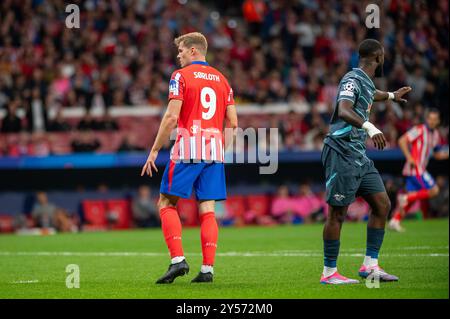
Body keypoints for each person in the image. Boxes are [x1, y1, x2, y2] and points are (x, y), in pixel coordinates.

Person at [141, 32, 237, 284]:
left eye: (181, 51)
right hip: (214, 149)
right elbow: (234, 123)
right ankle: (207, 269)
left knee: (165, 203)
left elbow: (171, 117)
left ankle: (177, 260)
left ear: (194, 51)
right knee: (207, 209)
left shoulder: (180, 76)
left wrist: (154, 150)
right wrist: (219, 150)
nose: (178, 55)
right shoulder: (223, 80)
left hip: (188, 146)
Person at [320, 39, 412, 284]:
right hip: (341, 151)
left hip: (358, 155)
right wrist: (370, 126)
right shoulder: (352, 79)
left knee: (382, 204)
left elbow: (373, 94)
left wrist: (392, 95)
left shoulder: (366, 82)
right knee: (337, 213)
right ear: (379, 57)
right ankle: (329, 273)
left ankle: (370, 266)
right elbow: (344, 109)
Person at [388, 109, 449, 232]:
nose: (432, 121)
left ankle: (394, 220)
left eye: (434, 119)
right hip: (416, 168)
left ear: (438, 121)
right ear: (427, 119)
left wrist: (446, 155)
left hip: (418, 169)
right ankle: (405, 197)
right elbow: (402, 141)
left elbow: (436, 154)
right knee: (434, 190)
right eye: (430, 119)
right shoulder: (420, 129)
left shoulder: (435, 134)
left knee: (413, 198)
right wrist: (409, 157)